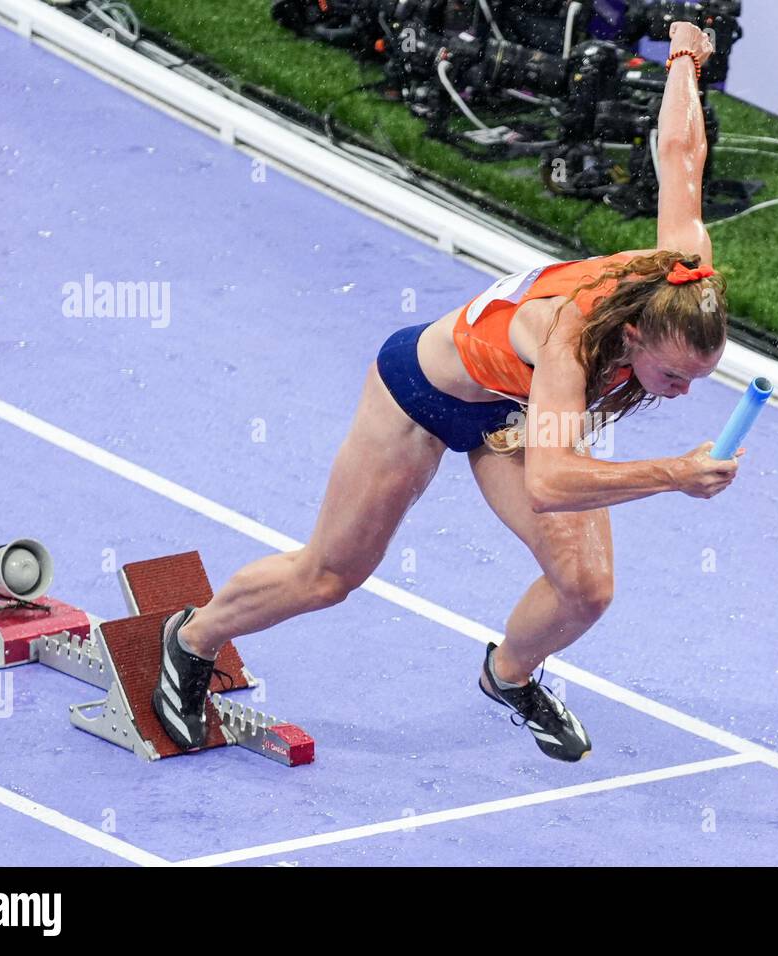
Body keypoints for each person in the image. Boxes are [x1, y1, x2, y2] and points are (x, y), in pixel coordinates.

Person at [152, 21, 744, 762]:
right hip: (421, 398)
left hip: (515, 411)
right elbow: (556, 482)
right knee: (331, 575)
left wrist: (686, 55)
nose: (682, 394)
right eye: (672, 377)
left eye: (697, 379)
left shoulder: (679, 275)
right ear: (631, 338)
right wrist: (675, 475)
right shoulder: (564, 332)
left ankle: (509, 675)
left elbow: (683, 155)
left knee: (586, 586)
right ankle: (194, 636)